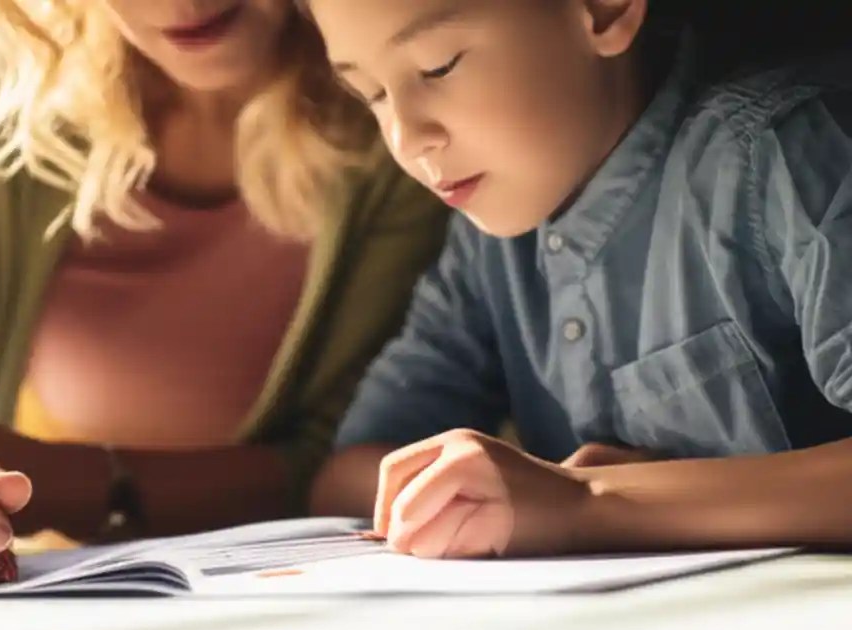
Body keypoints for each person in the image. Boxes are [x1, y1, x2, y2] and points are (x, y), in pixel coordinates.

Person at [0, 0, 447, 591]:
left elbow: (353, 458)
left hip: (304, 608)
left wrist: (83, 483)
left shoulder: (396, 98)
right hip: (30, 613)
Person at [303, 0, 852, 557]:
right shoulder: (491, 242)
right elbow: (350, 475)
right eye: (371, 94)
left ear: (604, 10)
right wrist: (508, 484)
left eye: (439, 66)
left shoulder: (789, 154)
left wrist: (593, 500)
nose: (404, 138)